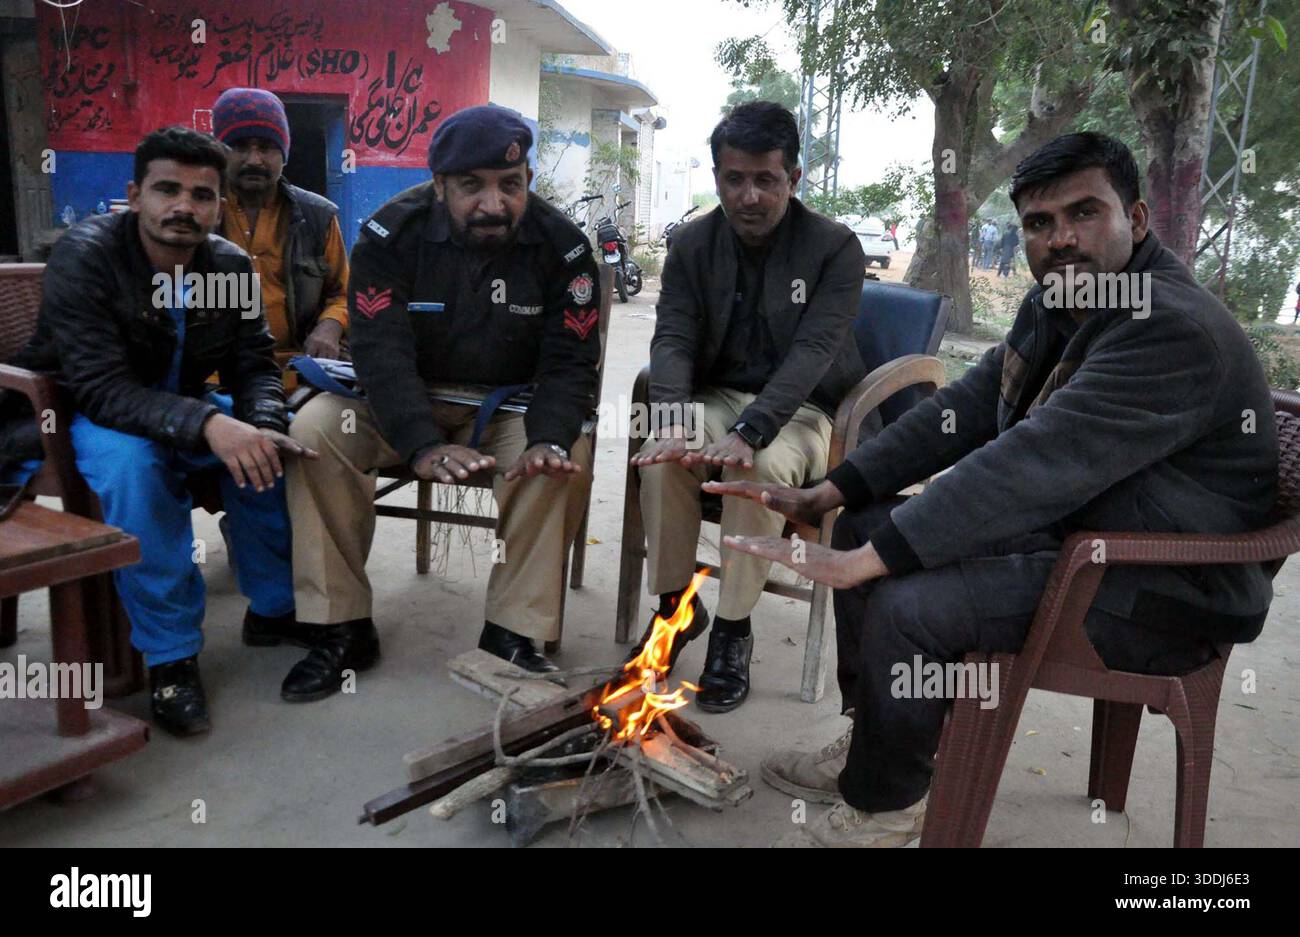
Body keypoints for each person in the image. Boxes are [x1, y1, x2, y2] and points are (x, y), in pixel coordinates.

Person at [711, 132, 1278, 846]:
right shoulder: (1062, 301)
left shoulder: (1168, 328)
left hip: (1161, 587)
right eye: (1040, 224)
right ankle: (879, 744)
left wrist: (879, 557)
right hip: (1083, 540)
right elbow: (970, 409)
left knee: (906, 600)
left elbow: (1032, 462)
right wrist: (835, 488)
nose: (1060, 239)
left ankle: (885, 810)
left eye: (1084, 213)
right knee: (861, 525)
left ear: (1135, 220)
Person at [0, 127, 318, 735]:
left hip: (180, 404)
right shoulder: (88, 256)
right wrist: (207, 424)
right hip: (85, 412)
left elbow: (255, 364)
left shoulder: (227, 265)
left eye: (202, 195)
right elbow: (98, 386)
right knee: (135, 469)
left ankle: (273, 608)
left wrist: (262, 423)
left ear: (218, 205)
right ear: (134, 194)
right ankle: (172, 657)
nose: (184, 207)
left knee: (277, 449)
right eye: (166, 190)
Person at [284, 104, 601, 693]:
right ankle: (341, 626)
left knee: (559, 457)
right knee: (315, 432)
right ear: (439, 187)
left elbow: (571, 361)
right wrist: (421, 442)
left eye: (510, 185)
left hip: (508, 409)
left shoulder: (564, 248)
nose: (493, 203)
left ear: (528, 182)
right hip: (404, 398)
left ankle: (511, 634)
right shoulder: (389, 235)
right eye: (471, 187)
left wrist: (548, 435)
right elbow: (379, 349)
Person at [629, 101, 865, 713]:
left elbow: (816, 348)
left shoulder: (834, 248)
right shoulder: (692, 244)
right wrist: (673, 419)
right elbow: (674, 335)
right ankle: (675, 610)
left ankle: (733, 630)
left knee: (752, 472)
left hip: (804, 410)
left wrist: (753, 429)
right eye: (735, 179)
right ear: (717, 178)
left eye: (766, 179)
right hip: (715, 398)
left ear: (794, 179)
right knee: (663, 454)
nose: (750, 196)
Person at [210, 88, 350, 375]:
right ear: (219, 152)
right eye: (239, 146)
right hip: (214, 372)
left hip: (298, 369)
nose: (254, 160)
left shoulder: (317, 216)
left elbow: (345, 293)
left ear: (284, 154)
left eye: (266, 147)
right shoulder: (200, 212)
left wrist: (330, 326)